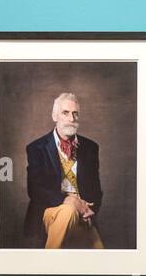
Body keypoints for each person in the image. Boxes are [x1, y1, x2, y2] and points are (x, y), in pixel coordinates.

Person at [23, 92, 105, 249]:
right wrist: (70, 201)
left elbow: (96, 190)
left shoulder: (91, 147)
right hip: (50, 211)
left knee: (101, 255)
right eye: (65, 113)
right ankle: (47, 268)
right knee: (68, 212)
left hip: (83, 214)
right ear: (55, 116)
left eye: (75, 114)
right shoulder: (36, 148)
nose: (71, 119)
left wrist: (89, 210)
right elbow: (35, 190)